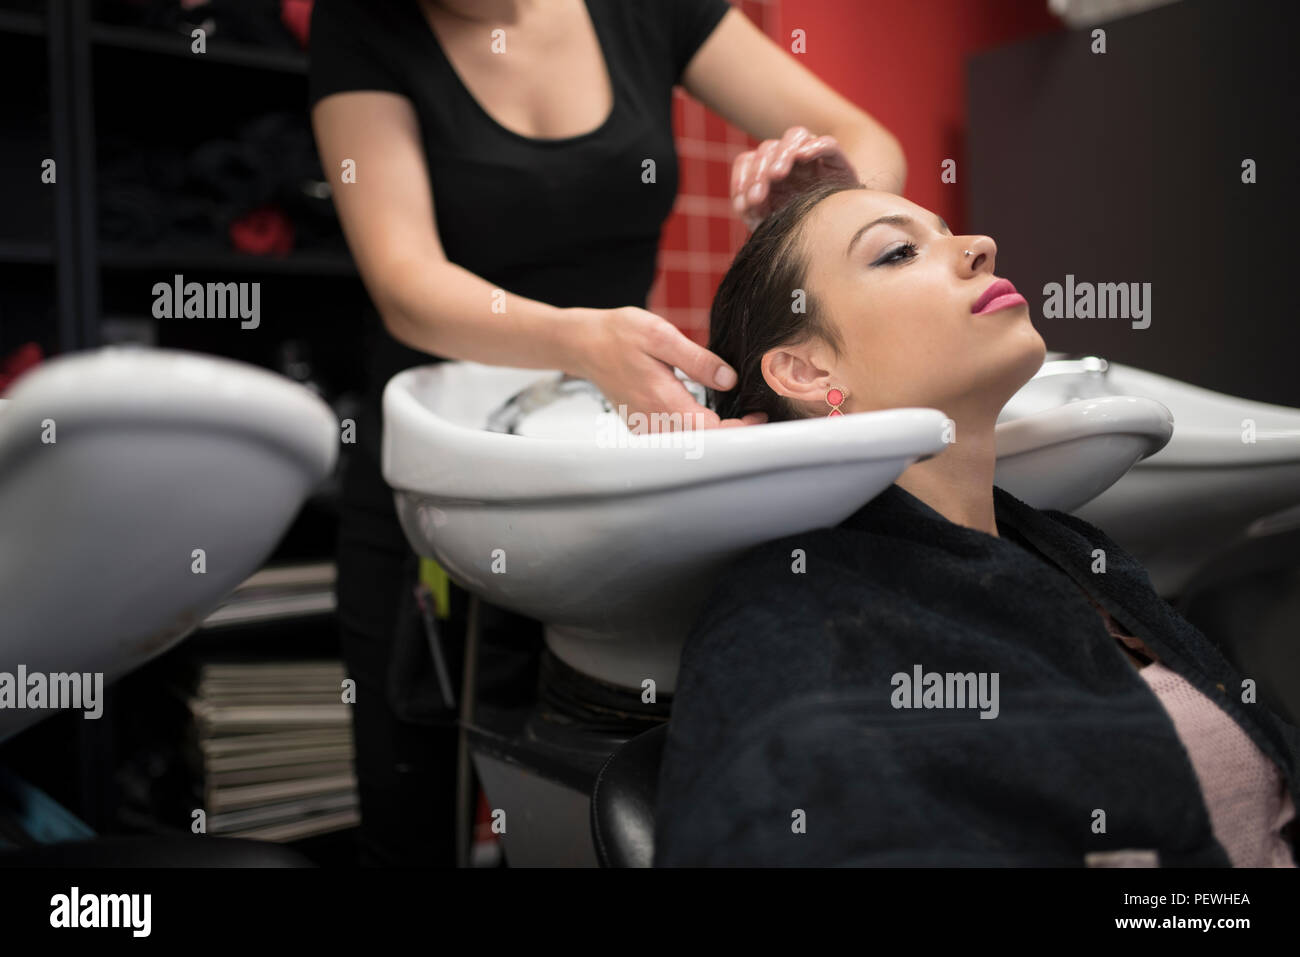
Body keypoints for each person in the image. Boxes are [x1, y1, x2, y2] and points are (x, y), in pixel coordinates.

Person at [307, 0, 907, 866]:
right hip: (442, 478)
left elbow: (866, 138)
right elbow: (405, 280)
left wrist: (837, 199)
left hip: (596, 463)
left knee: (592, 785)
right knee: (412, 808)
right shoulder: (363, 24)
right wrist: (580, 341)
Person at [654, 181, 1300, 866]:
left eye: (945, 231)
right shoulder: (792, 619)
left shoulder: (1068, 555)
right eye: (899, 251)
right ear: (807, 370)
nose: (979, 246)